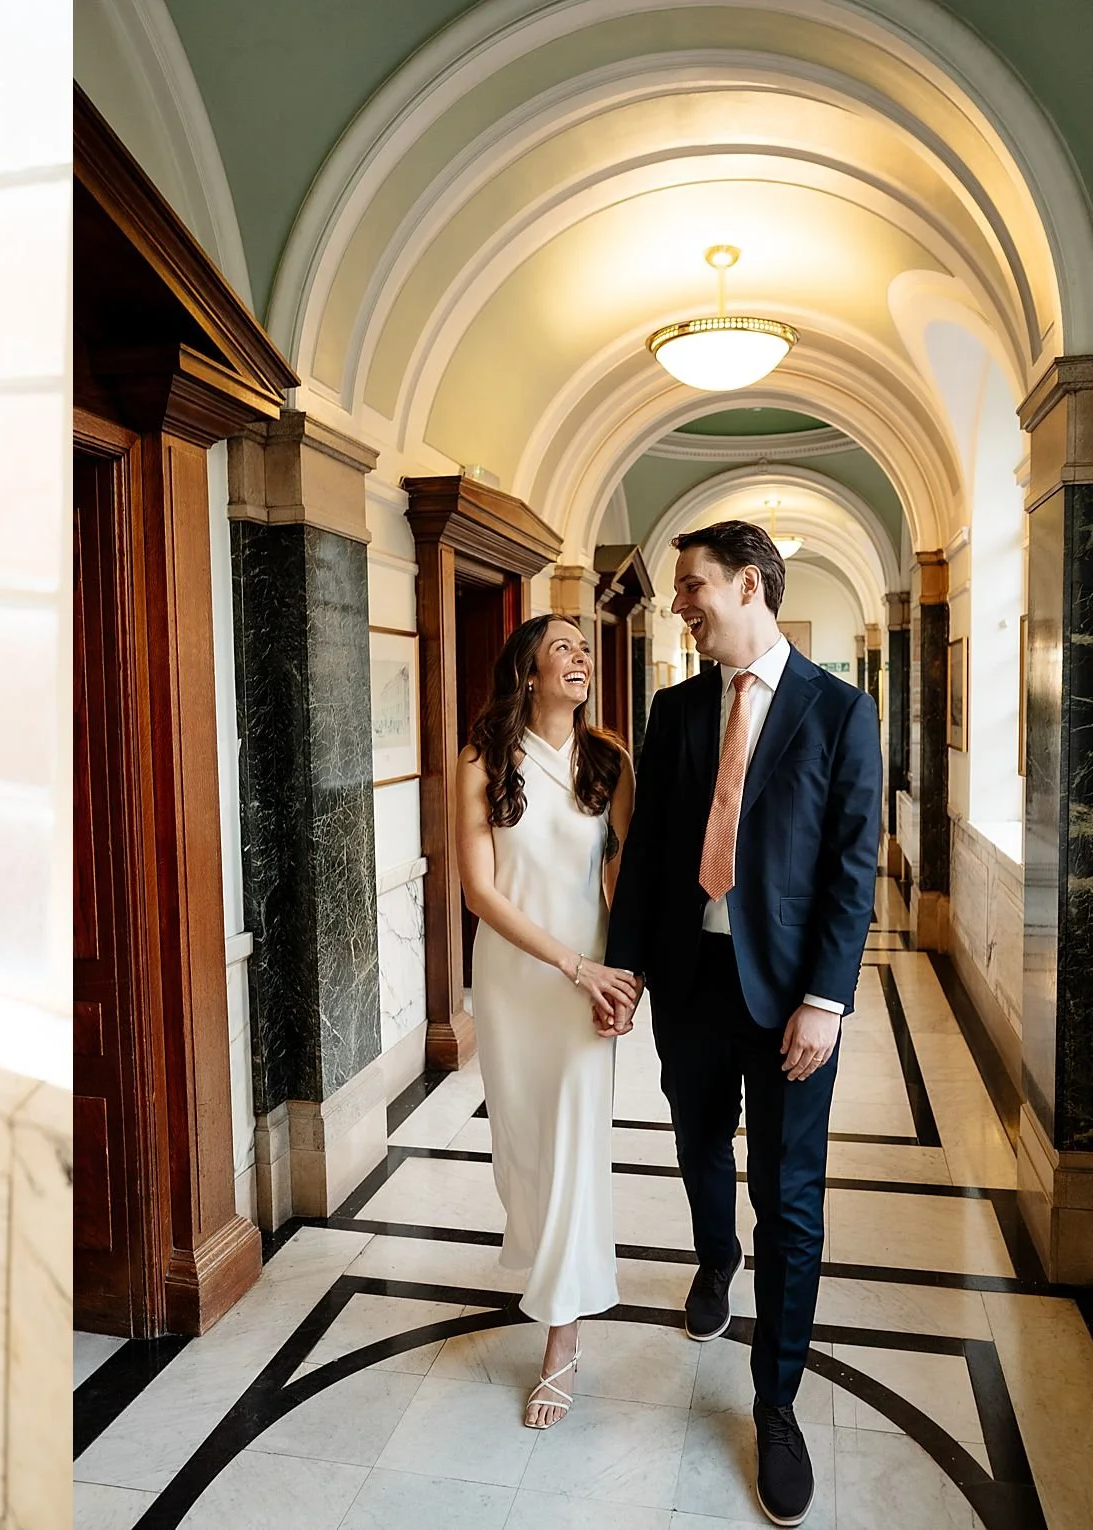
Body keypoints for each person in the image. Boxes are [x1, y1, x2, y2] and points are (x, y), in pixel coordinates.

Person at [604, 520, 878, 1527]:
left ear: (750, 585)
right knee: (695, 1140)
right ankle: (715, 1255)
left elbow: (853, 866)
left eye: (692, 584)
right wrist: (627, 969)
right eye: (679, 587)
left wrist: (827, 1001)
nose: (679, 601)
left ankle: (776, 1403)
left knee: (792, 1199)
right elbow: (650, 856)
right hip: (689, 980)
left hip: (790, 997)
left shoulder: (841, 713)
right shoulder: (674, 711)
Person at [456, 614, 636, 1430]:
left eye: (583, 647)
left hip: (583, 989)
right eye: (562, 646)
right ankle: (545, 1265)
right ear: (527, 671)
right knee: (523, 1148)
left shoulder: (609, 762)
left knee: (572, 1147)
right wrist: (570, 962)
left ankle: (562, 1340)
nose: (581, 657)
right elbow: (480, 895)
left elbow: (632, 879)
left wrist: (622, 975)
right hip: (511, 983)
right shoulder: (481, 762)